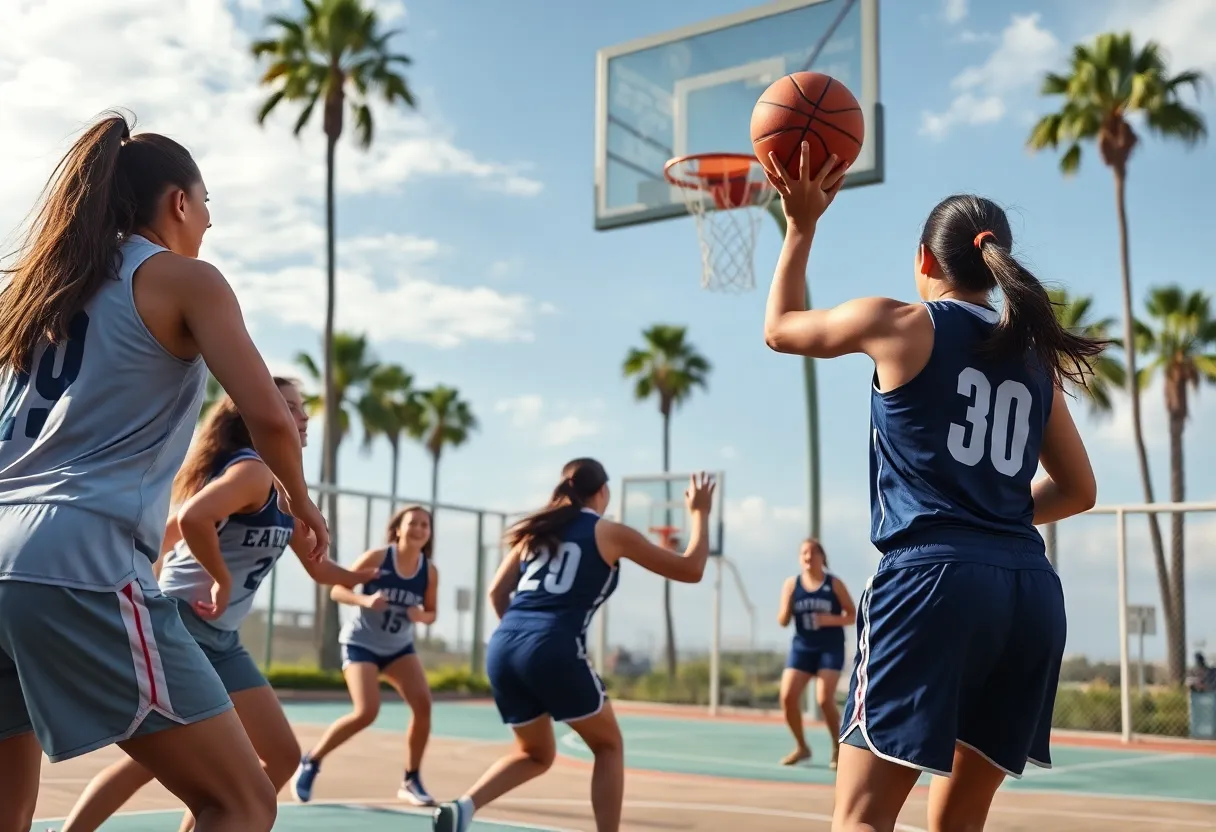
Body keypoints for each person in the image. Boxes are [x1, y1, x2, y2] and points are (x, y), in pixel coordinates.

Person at [0, 112, 328, 832]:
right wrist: (302, 502)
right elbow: (271, 416)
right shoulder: (185, 280)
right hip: (79, 557)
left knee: (8, 810)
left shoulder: (43, 295)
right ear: (179, 202)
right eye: (206, 203)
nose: (209, 222)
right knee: (242, 800)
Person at [763, 143, 1103, 832]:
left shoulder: (900, 323)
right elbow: (1079, 489)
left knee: (860, 817)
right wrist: (995, 518)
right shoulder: (1033, 358)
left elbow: (780, 330)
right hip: (1027, 592)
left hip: (933, 583)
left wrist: (800, 227)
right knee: (958, 821)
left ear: (925, 260)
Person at [60, 378, 371, 832]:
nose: (302, 417)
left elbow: (321, 570)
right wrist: (220, 579)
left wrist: (366, 580)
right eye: (289, 407)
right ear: (256, 416)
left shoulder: (285, 487)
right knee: (155, 761)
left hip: (221, 639)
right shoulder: (253, 472)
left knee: (281, 756)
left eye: (303, 409)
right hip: (184, 626)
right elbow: (191, 519)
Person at [432, 460, 716, 832]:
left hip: (503, 646)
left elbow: (496, 592)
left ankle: (462, 808)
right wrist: (699, 514)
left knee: (535, 754)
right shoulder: (608, 532)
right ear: (602, 492)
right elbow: (691, 569)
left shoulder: (535, 531)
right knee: (608, 746)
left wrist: (523, 643)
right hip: (551, 644)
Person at [293, 505, 439, 806]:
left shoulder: (429, 571)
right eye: (413, 523)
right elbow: (337, 590)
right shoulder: (378, 558)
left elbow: (431, 613)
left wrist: (420, 616)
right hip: (362, 643)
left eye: (425, 525)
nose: (419, 529)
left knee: (423, 704)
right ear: (398, 528)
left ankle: (411, 779)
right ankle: (312, 760)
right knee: (366, 711)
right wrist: (364, 599)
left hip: (399, 647)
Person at [777, 537, 856, 769]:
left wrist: (829, 619)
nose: (808, 557)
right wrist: (787, 605)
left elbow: (852, 615)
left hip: (829, 648)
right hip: (802, 647)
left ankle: (837, 747)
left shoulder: (833, 584)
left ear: (822, 557)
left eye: (813, 553)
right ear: (800, 559)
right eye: (804, 554)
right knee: (787, 697)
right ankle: (802, 746)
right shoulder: (792, 584)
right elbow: (782, 621)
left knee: (824, 699)